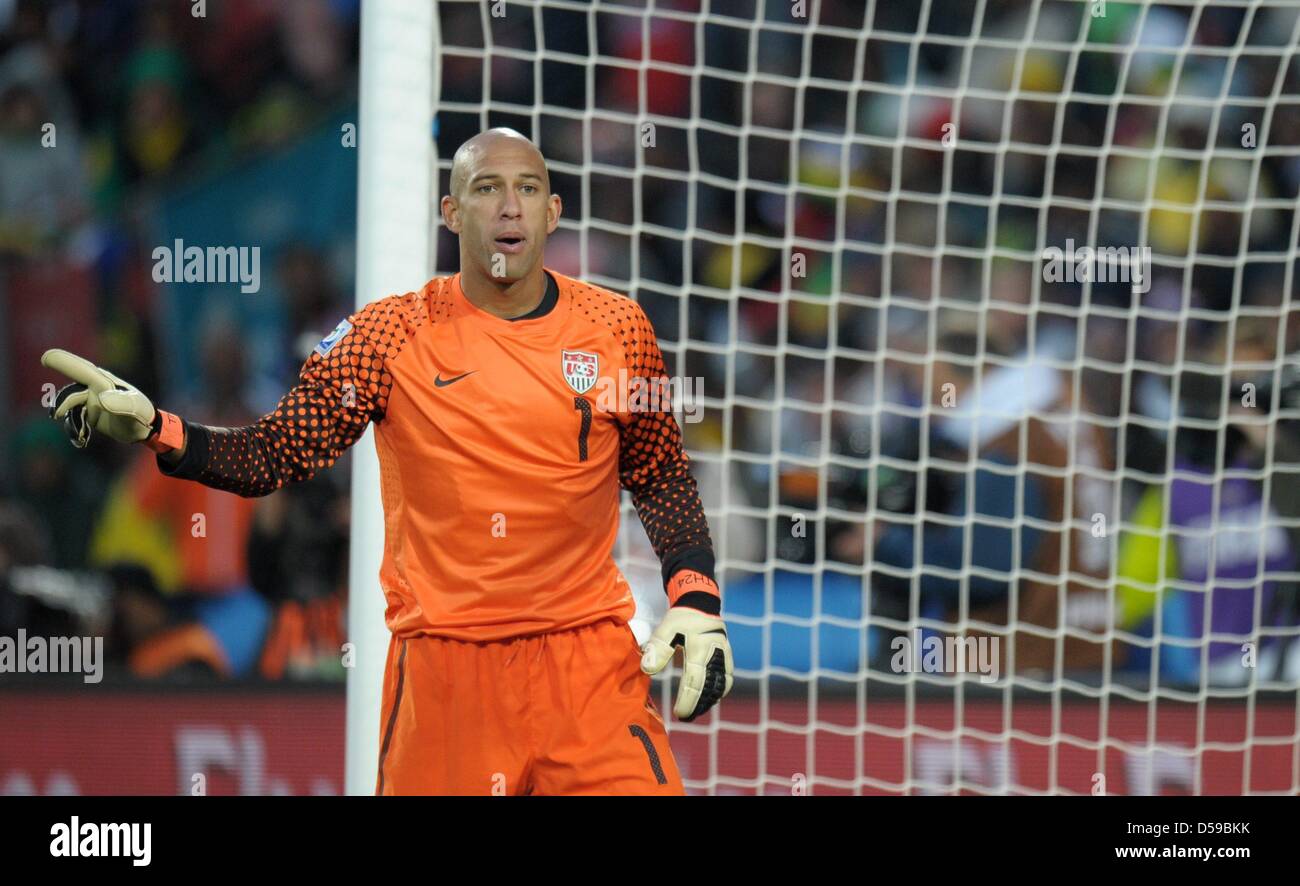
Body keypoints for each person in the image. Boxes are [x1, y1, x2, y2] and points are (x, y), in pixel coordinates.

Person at [39, 127, 732, 795]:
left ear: (553, 212)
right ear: (452, 212)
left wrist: (697, 602)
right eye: (487, 188)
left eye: (528, 188)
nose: (510, 206)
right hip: (447, 671)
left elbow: (660, 473)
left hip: (587, 661)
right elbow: (274, 454)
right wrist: (159, 428)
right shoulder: (388, 335)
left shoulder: (618, 328)